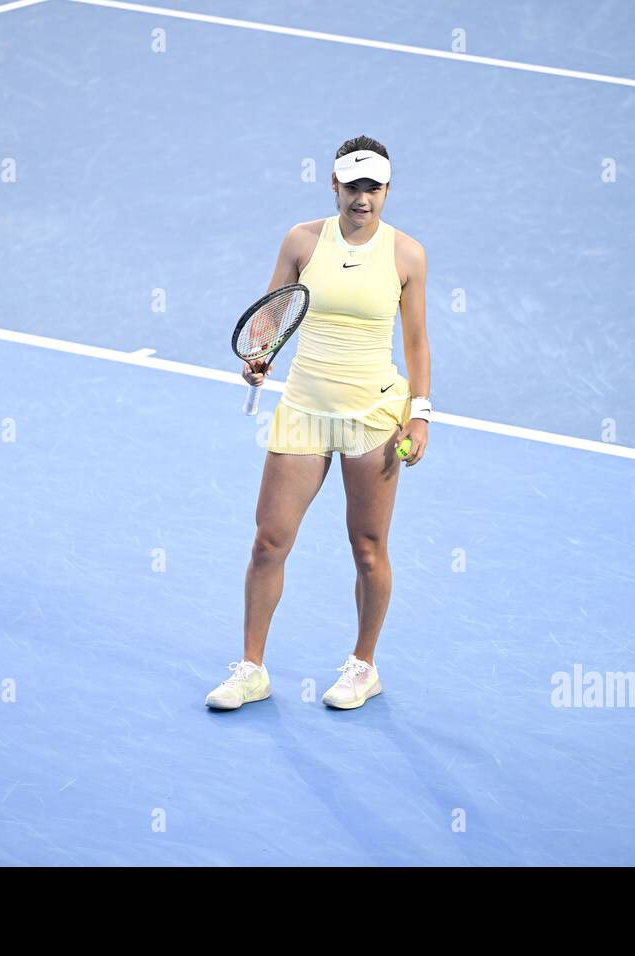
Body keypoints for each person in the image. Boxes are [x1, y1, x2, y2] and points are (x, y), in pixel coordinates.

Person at [207, 135, 432, 711]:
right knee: (268, 542)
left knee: (368, 549)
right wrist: (258, 358)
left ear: (387, 190)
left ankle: (364, 665)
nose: (362, 198)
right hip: (304, 411)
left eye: (373, 187)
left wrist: (420, 415)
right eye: (352, 186)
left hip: (374, 416)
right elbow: (271, 318)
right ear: (334, 185)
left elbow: (415, 341)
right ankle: (252, 669)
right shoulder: (302, 241)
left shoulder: (407, 255)